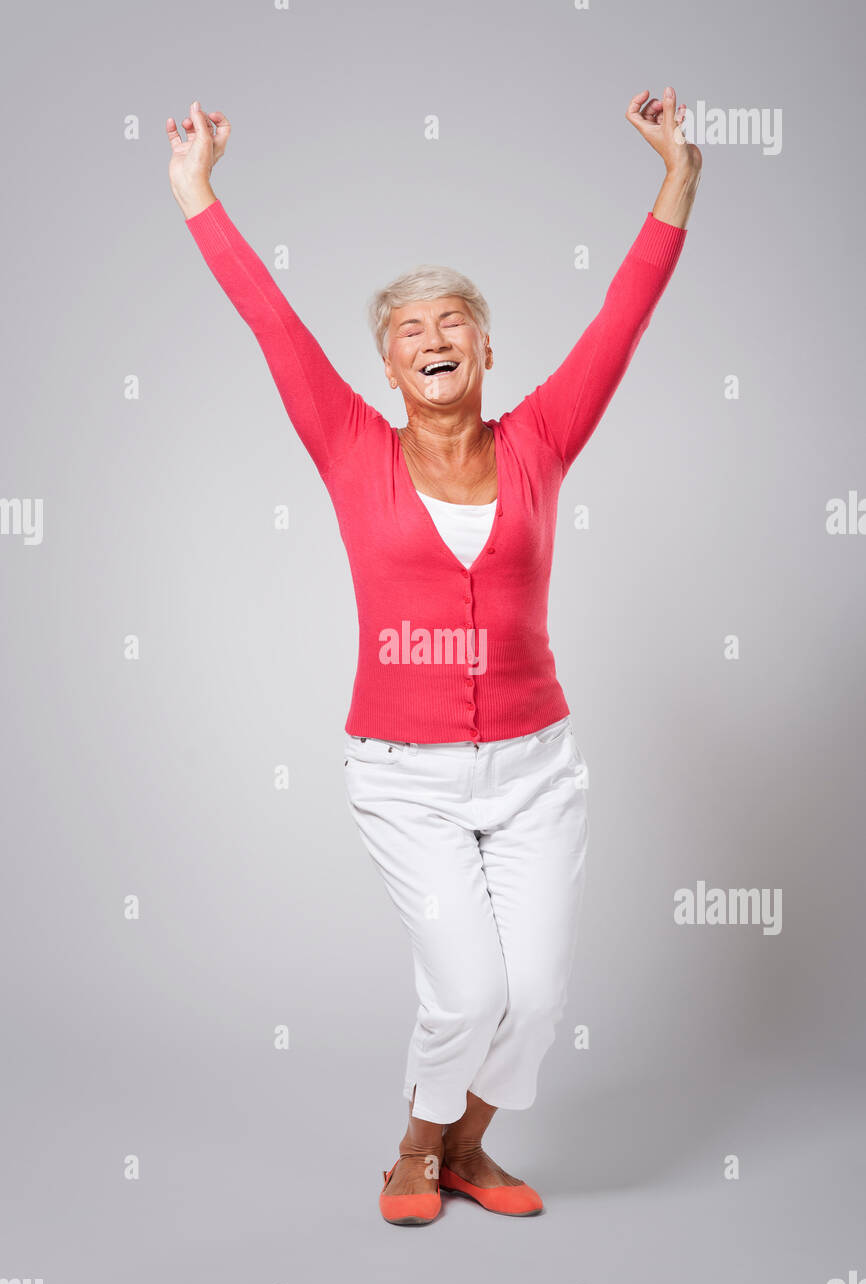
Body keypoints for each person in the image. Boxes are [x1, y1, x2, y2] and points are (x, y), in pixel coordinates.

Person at [166, 89, 701, 1226]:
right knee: (466, 989)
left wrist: (675, 178)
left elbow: (622, 315)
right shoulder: (350, 445)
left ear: (486, 345)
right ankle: (413, 1146)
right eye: (407, 329)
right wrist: (198, 194)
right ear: (387, 364)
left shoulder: (542, 440)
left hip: (534, 767)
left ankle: (468, 1147)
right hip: (402, 773)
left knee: (540, 999)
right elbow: (271, 323)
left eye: (451, 319)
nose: (431, 338)